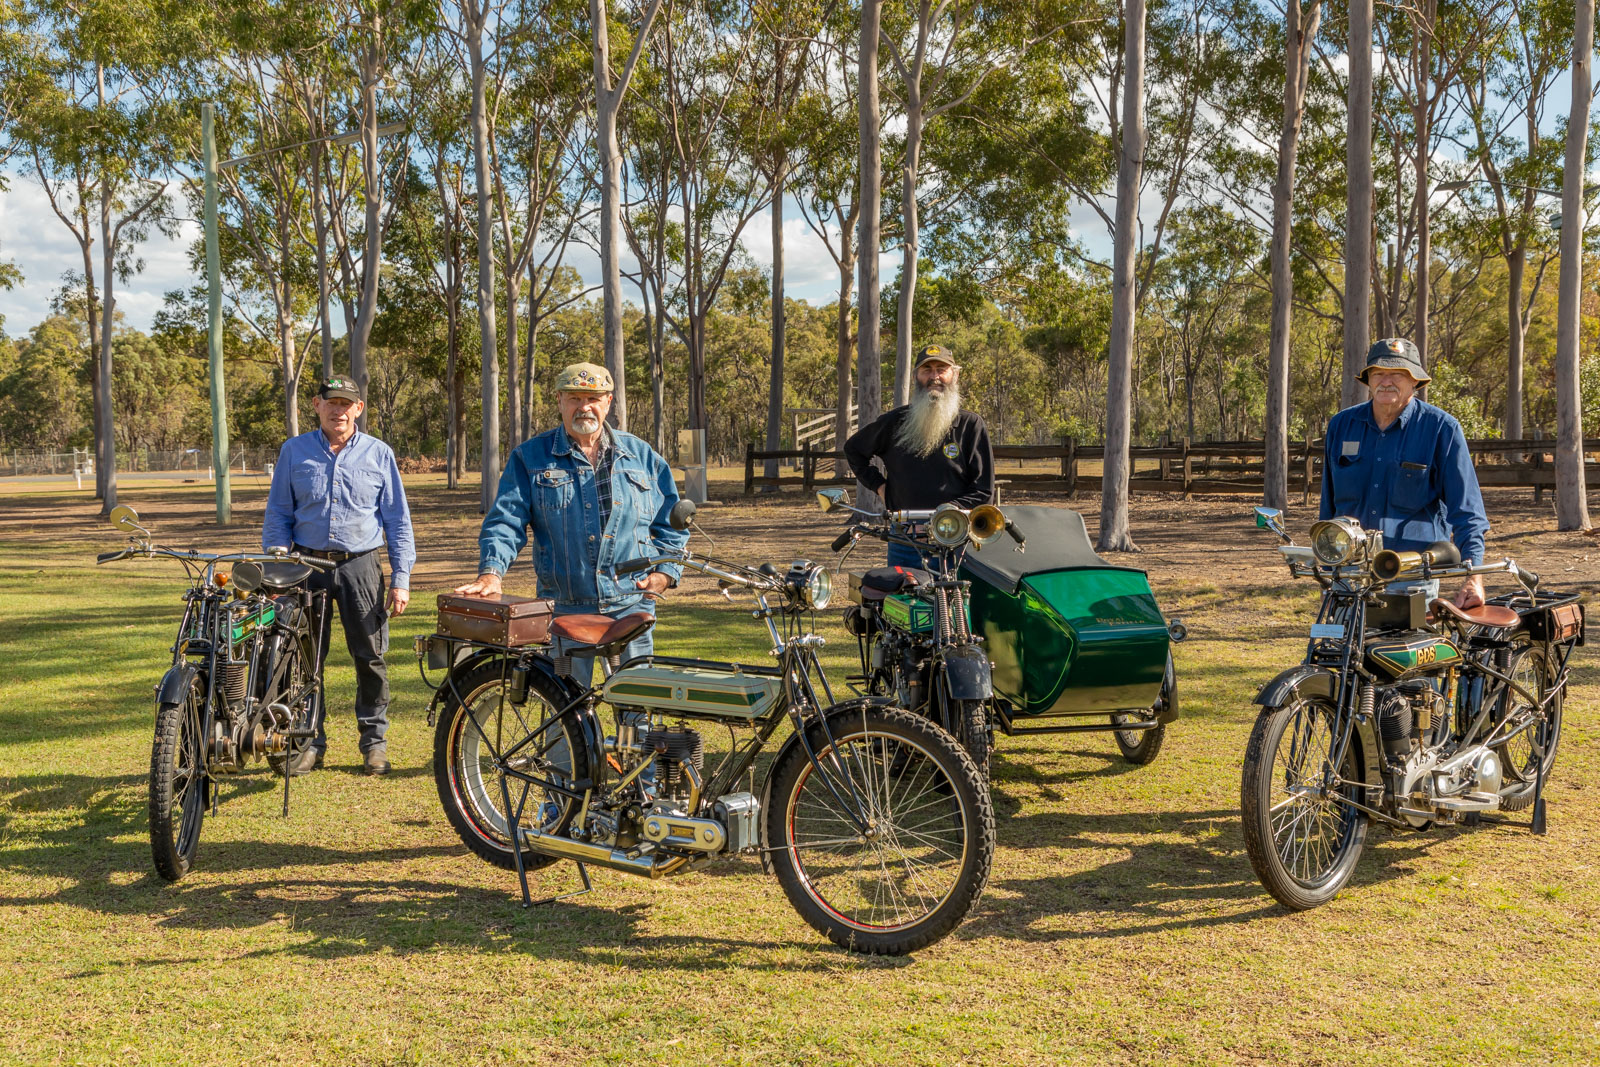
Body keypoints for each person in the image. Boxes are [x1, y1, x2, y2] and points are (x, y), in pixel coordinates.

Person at [453, 362, 688, 686]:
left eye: (593, 398)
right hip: (565, 613)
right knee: (565, 722)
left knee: (638, 717)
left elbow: (671, 523)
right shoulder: (531, 458)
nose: (584, 407)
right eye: (575, 398)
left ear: (608, 402)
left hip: (631, 608)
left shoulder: (642, 456)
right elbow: (506, 521)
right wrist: (491, 573)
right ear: (560, 400)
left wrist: (664, 574)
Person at [262, 376, 415, 776]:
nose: (339, 411)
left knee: (370, 656)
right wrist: (278, 573)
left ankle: (374, 743)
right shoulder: (293, 452)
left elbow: (397, 521)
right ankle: (310, 741)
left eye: (347, 404)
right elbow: (278, 514)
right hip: (305, 567)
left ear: (359, 409)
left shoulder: (379, 453)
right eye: (332, 403)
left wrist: (401, 578)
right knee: (305, 658)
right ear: (317, 405)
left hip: (360, 565)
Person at [1320, 338, 1490, 609]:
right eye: (1378, 373)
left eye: (1397, 374)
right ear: (1368, 380)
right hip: (1349, 575)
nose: (1386, 381)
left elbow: (1468, 513)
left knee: (1401, 652)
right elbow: (1328, 507)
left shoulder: (1441, 429)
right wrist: (1329, 568)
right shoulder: (1342, 425)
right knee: (1334, 651)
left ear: (1415, 382)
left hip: (1412, 578)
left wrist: (1473, 578)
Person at [843, 343, 995, 570]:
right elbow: (853, 449)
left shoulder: (971, 425)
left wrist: (944, 516)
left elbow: (983, 491)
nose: (935, 376)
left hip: (956, 540)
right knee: (903, 603)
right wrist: (879, 486)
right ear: (916, 376)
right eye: (927, 370)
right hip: (905, 540)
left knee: (957, 604)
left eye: (941, 369)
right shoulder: (895, 422)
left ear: (955, 374)